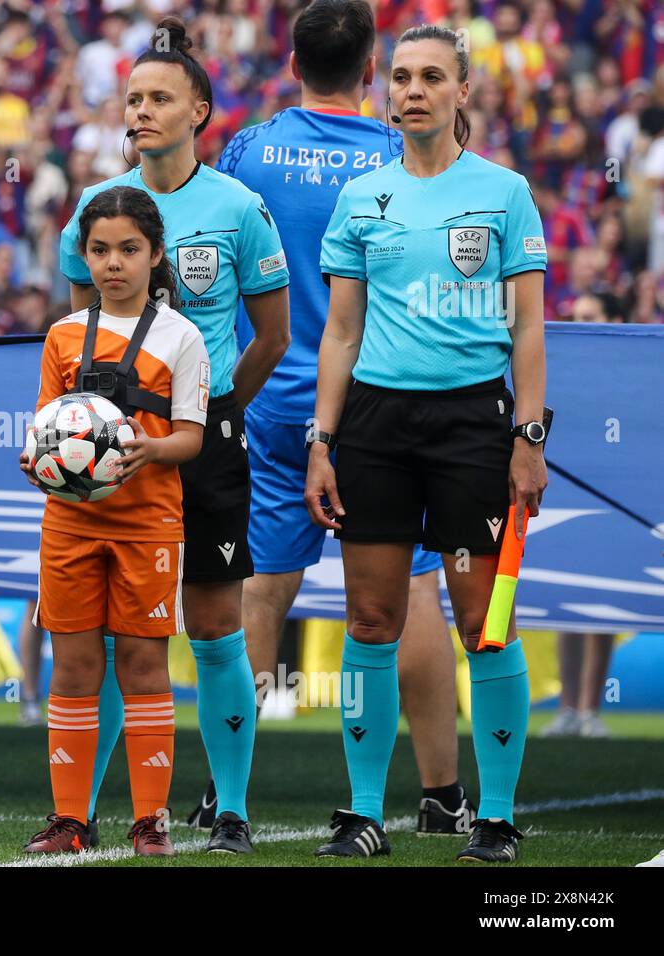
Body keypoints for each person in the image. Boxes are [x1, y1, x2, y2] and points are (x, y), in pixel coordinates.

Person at [214, 0, 474, 837]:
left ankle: (230, 799)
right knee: (414, 595)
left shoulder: (247, 152)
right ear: (373, 73)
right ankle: (442, 795)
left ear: (292, 65)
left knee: (258, 595)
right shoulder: (407, 152)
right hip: (383, 402)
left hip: (270, 398)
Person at [307, 24, 548, 862]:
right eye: (401, 76)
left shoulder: (506, 191)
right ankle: (365, 812)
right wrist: (322, 442)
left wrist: (528, 436)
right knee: (371, 617)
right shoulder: (359, 197)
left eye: (431, 77)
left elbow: (527, 332)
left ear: (463, 91)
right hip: (374, 425)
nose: (411, 90)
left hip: (474, 426)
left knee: (487, 621)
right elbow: (340, 334)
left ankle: (497, 817)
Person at [59, 15, 290, 854]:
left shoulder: (238, 206)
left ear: (200, 109)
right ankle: (84, 811)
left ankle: (228, 807)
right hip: (111, 446)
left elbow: (273, 333)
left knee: (215, 624)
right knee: (125, 631)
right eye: (132, 99)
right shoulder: (99, 205)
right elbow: (78, 327)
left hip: (203, 444)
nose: (141, 111)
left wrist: (216, 408)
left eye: (159, 97)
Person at [21, 185, 208, 857]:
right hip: (69, 524)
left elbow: (191, 436)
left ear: (155, 254)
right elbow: (44, 425)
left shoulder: (182, 337)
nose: (112, 264)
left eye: (129, 249)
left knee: (141, 666)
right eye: (99, 250)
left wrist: (147, 451)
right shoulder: (64, 334)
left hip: (150, 525)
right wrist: (36, 459)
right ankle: (70, 821)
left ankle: (149, 820)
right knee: (72, 668)